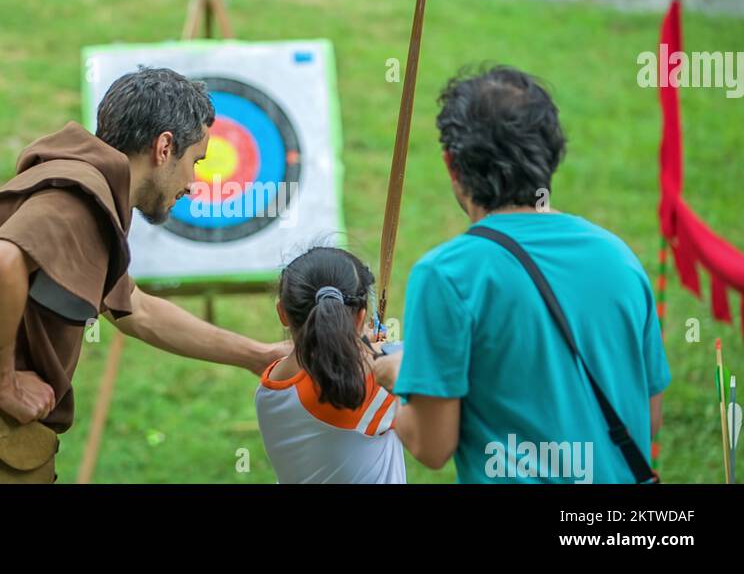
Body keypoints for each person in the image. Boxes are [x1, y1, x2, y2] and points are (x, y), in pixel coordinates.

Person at [0, 67, 289, 481]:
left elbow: (137, 311)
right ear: (165, 147)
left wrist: (258, 356)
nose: (195, 182)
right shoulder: (78, 199)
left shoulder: (85, 189)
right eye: (195, 161)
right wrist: (5, 385)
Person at [373, 66, 671, 484]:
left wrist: (397, 374)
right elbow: (649, 417)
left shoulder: (444, 275)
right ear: (551, 155)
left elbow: (432, 445)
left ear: (452, 166)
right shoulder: (619, 258)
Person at [256, 246, 405, 483]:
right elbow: (440, 371)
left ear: (282, 313)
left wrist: (363, 346)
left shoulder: (270, 387)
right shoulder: (364, 390)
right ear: (360, 318)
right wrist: (383, 352)